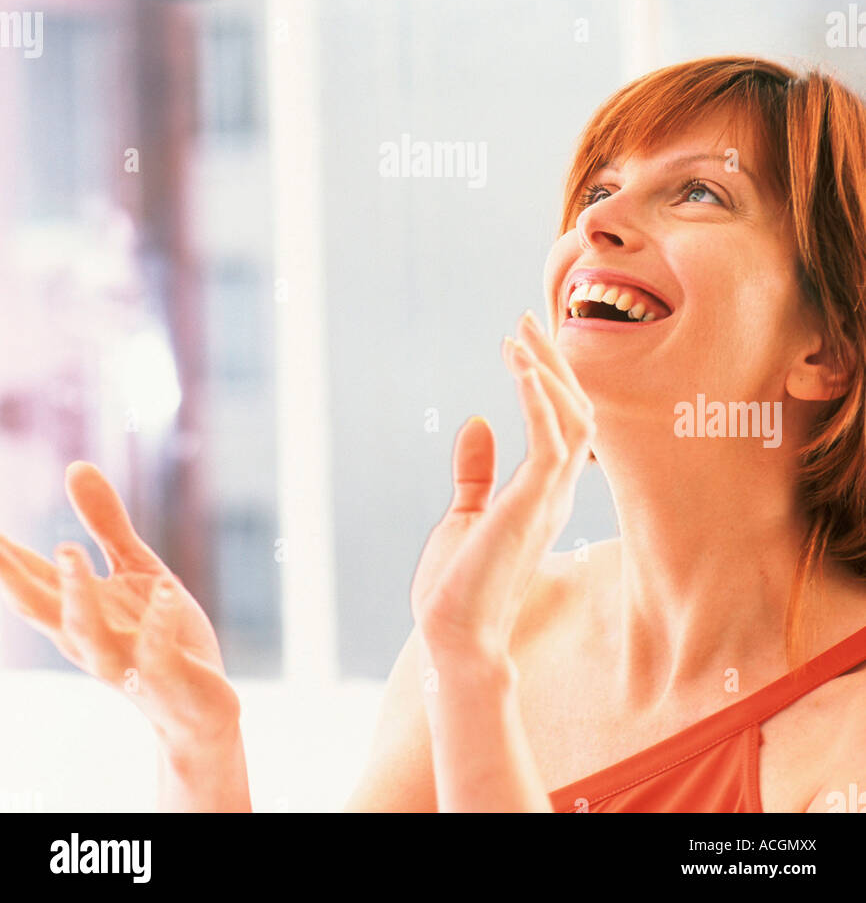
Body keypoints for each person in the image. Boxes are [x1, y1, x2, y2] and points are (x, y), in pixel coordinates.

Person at [2, 54, 865, 813]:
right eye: (599, 190)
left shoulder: (846, 731)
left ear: (824, 347)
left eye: (700, 192)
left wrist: (468, 675)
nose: (596, 223)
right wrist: (200, 743)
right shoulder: (504, 621)